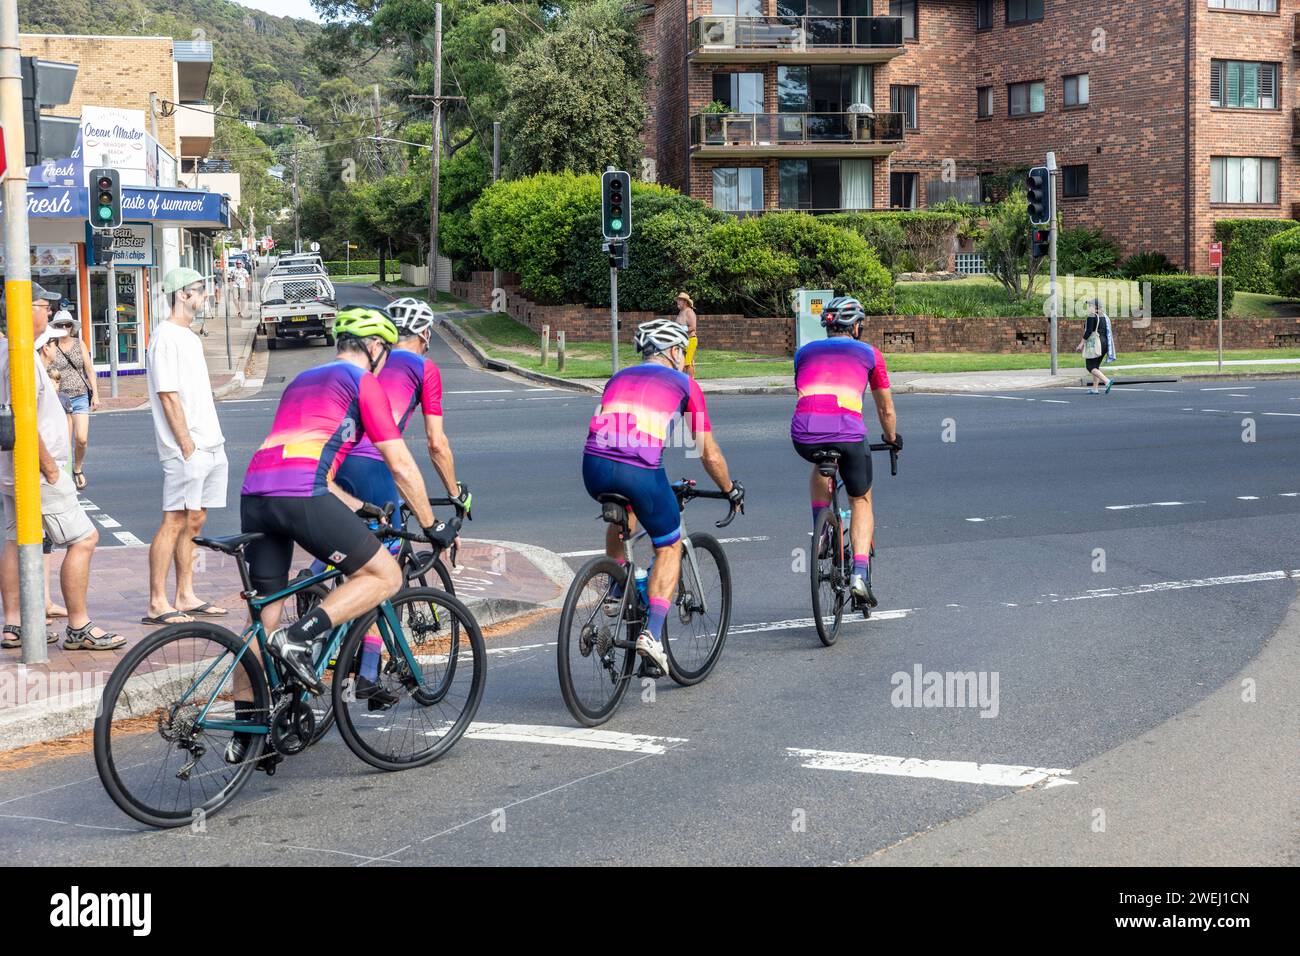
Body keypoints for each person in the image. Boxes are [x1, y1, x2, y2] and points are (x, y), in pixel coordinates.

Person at [236, 307, 453, 719]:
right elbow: (400, 464)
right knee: (384, 575)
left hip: (255, 493)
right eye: (384, 352)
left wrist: (357, 506)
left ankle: (245, 734)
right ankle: (300, 637)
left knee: (262, 621)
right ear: (374, 347)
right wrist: (432, 524)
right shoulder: (363, 381)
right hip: (301, 494)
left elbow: (310, 456)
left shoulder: (301, 380)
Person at [582, 318, 743, 674]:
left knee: (626, 508)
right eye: (682, 351)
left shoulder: (617, 377)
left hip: (593, 467)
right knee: (668, 544)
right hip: (639, 471)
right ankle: (652, 635)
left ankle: (615, 587)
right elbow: (708, 453)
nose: (685, 359)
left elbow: (620, 434)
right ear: (672, 351)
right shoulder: (685, 383)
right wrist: (729, 489)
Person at [0, 283, 121, 651]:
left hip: (14, 470)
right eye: (43, 305)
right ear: (23, 308)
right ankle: (79, 626)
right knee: (84, 539)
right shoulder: (17, 354)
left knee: (17, 540)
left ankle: (15, 624)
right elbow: (21, 418)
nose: (49, 312)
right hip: (36, 469)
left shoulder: (12, 349)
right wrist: (51, 467)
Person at [790, 295, 899, 607]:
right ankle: (860, 574)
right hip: (848, 435)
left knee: (820, 465)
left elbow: (804, 393)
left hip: (805, 435)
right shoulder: (870, 354)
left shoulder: (803, 352)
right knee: (861, 498)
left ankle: (821, 531)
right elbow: (885, 409)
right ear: (856, 326)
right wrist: (892, 438)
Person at [142, 267, 230, 626]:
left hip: (211, 442)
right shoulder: (165, 337)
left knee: (195, 519)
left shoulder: (189, 337)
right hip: (187, 447)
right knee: (174, 520)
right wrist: (187, 445)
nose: (205, 295)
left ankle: (185, 594)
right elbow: (168, 396)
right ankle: (156, 602)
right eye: (199, 290)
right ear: (181, 294)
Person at [333, 298, 468, 513]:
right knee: (391, 543)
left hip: (334, 461)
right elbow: (436, 444)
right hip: (372, 463)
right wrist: (455, 493)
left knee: (354, 541)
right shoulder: (424, 366)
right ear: (424, 333)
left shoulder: (368, 360)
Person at [46, 306, 98, 490]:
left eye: (67, 325)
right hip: (60, 399)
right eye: (60, 325)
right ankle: (65, 475)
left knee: (81, 438)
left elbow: (89, 370)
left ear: (72, 327)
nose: (64, 328)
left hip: (80, 395)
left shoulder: (79, 343)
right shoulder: (51, 345)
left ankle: (78, 468)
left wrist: (95, 395)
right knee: (65, 442)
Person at [1079, 297, 1115, 395]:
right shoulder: (1104, 316)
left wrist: (1081, 343)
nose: (1088, 307)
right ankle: (1095, 389)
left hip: (1096, 344)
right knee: (1096, 366)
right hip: (1105, 344)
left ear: (1096, 307)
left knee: (1090, 366)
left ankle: (1106, 381)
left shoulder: (1092, 316)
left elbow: (1089, 331)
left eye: (1090, 305)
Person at [675, 292, 699, 378]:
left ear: (685, 302)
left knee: (687, 363)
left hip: (690, 340)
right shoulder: (680, 312)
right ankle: (686, 381)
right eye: (677, 300)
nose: (678, 302)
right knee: (681, 363)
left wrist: (681, 330)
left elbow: (693, 327)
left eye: (680, 300)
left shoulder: (689, 312)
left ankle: (691, 382)